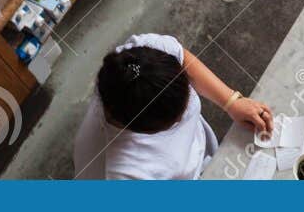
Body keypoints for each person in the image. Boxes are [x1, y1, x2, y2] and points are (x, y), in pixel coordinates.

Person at [72, 33, 274, 179]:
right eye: (175, 121)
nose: (187, 113)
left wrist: (231, 101)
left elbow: (181, 56)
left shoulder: (132, 60)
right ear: (147, 130)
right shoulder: (124, 172)